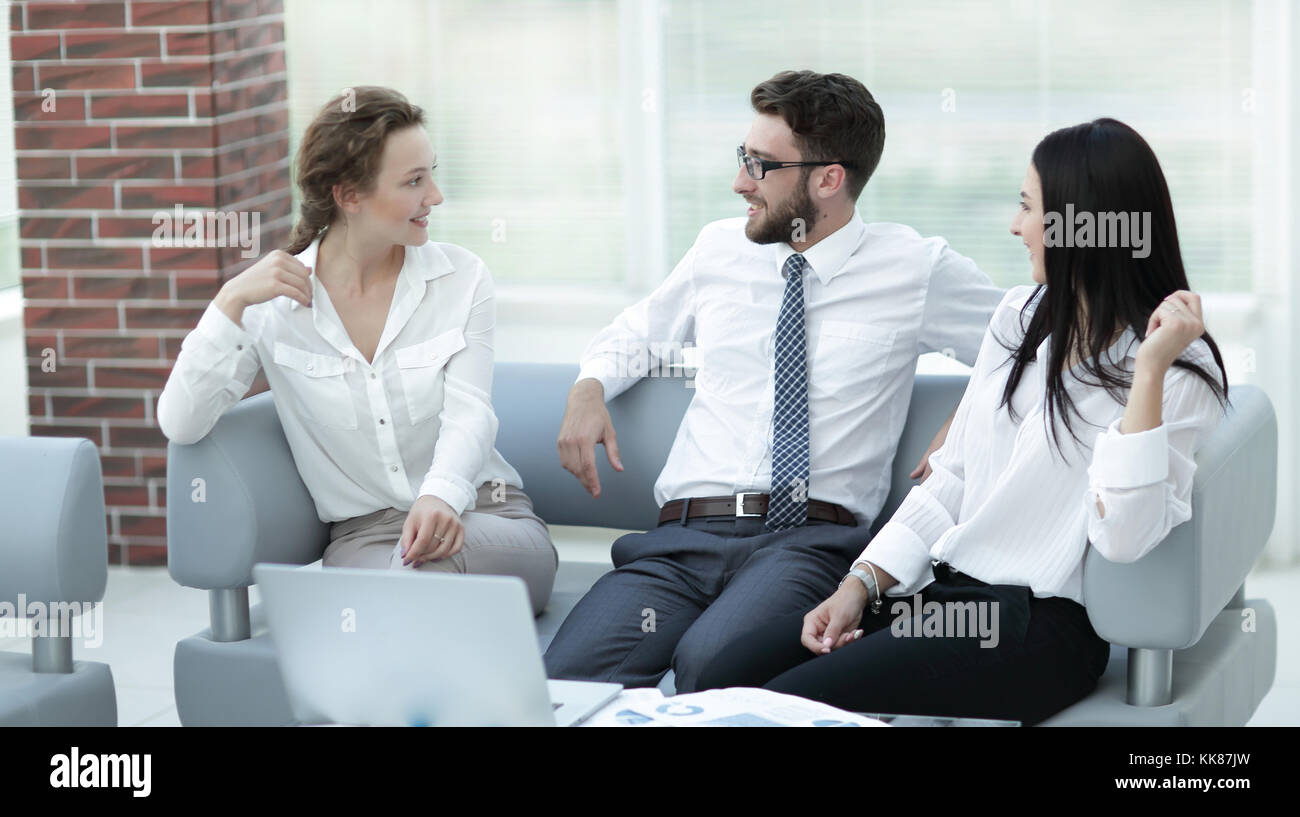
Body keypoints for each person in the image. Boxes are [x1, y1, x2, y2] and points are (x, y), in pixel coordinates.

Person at [693, 117, 1232, 725]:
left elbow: (1126, 536)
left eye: (1029, 207)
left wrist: (1152, 372)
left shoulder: (1178, 370)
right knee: (719, 676)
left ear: (1081, 225)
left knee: (792, 705)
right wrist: (859, 586)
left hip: (1034, 628)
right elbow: (949, 480)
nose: (1014, 225)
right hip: (941, 595)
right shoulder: (1019, 316)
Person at [544, 70, 1005, 693]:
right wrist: (588, 387)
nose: (740, 182)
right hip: (682, 539)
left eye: (761, 165)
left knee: (712, 667)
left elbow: (1042, 342)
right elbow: (638, 332)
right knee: (562, 679)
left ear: (829, 178)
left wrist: (965, 421)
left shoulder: (916, 269)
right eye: (744, 158)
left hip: (808, 545)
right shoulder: (717, 250)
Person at [157, 86, 557, 615]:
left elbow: (471, 416)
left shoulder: (461, 278)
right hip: (364, 540)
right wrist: (229, 300)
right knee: (405, 588)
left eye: (431, 173)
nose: (434, 196)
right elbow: (181, 423)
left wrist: (440, 495)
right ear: (348, 195)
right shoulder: (273, 306)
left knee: (414, 581)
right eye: (414, 181)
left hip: (485, 521)